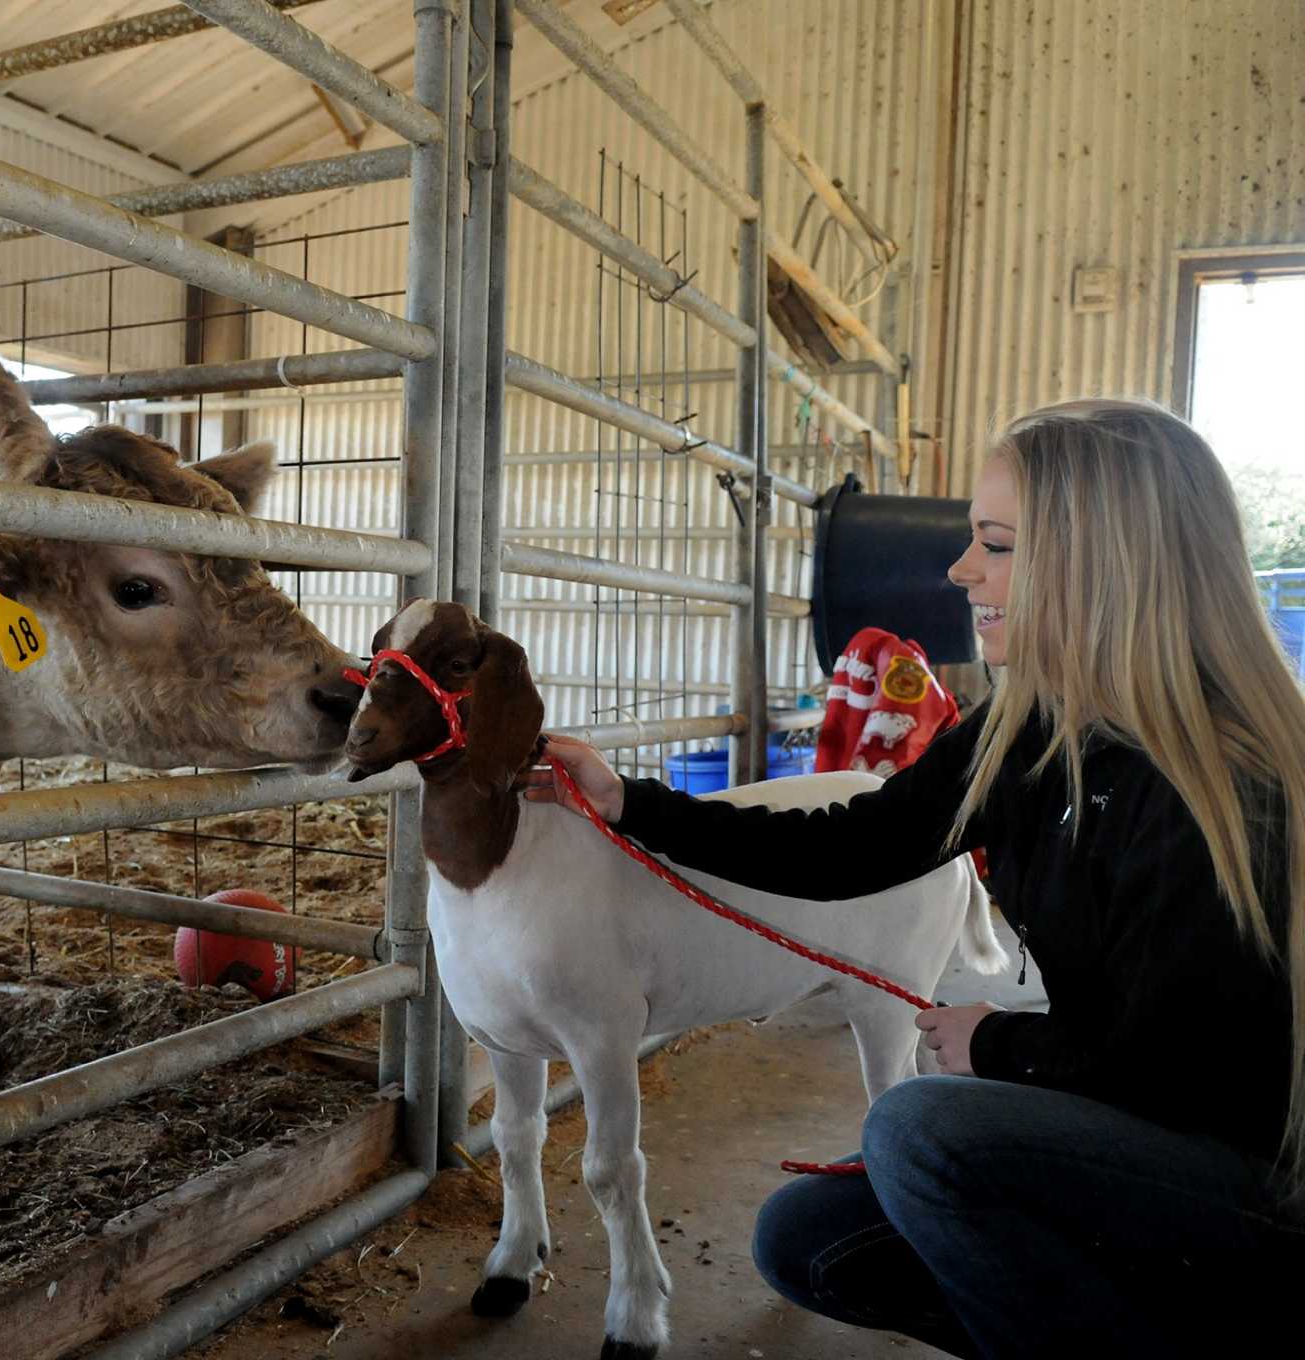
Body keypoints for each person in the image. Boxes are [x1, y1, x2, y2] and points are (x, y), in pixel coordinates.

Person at [521, 399, 1305, 1358]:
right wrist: (631, 804)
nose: (961, 569)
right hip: (1135, 1124)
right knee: (804, 1240)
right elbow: (857, 846)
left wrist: (1000, 1044)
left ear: (1104, 561)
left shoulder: (1224, 785)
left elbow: (1182, 1071)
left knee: (918, 1132)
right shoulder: (1032, 730)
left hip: (1246, 1177)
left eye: (997, 545)